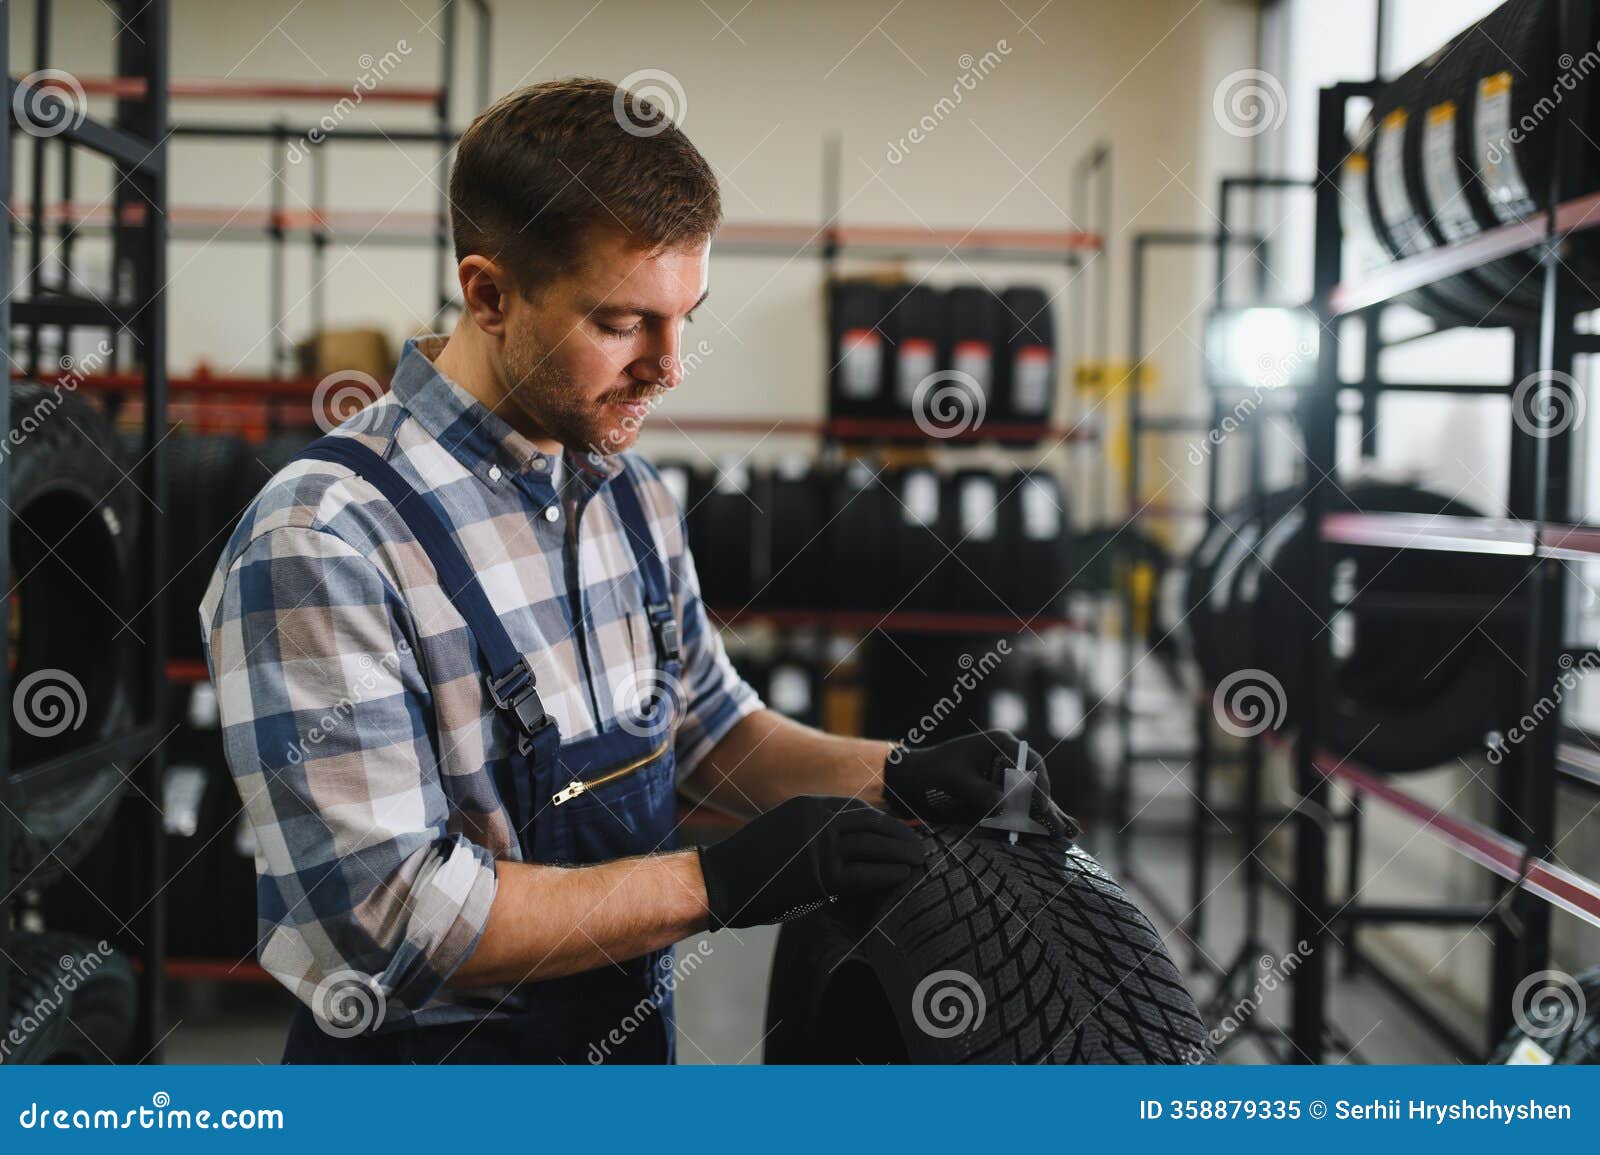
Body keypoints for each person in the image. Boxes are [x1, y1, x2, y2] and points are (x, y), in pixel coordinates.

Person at [201, 76, 1068, 1065]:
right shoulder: (326, 540)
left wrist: (893, 773)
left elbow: (707, 728)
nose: (671, 364)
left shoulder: (627, 494)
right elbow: (390, 919)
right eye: (622, 323)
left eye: (686, 314)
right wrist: (716, 885)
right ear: (488, 293)